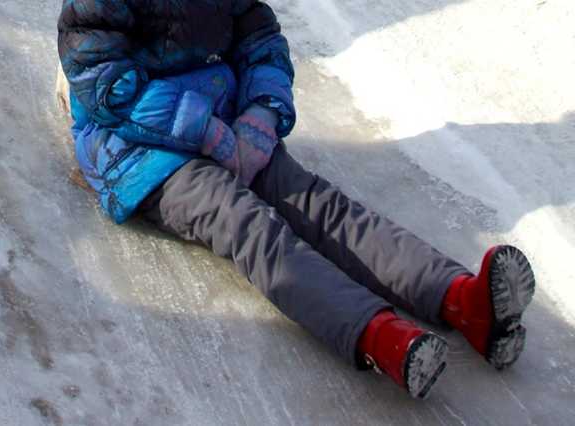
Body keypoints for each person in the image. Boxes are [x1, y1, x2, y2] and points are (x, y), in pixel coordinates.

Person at [57, 0, 535, 399]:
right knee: (245, 223)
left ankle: (460, 301)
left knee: (317, 203)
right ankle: (377, 334)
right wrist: (204, 132)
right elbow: (105, 83)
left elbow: (261, 43)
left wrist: (262, 114)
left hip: (227, 120)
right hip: (139, 149)